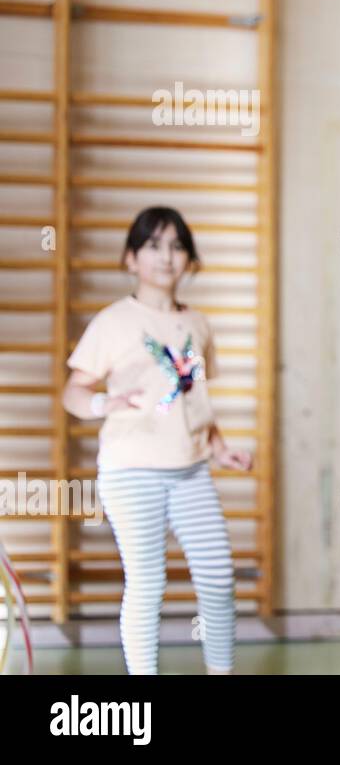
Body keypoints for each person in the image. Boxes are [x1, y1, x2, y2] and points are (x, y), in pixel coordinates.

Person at [62, 205, 251, 675]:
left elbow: (194, 398)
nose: (166, 256)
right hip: (130, 471)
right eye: (153, 244)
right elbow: (74, 391)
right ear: (131, 259)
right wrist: (105, 404)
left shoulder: (199, 325)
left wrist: (220, 447)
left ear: (189, 259)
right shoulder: (113, 322)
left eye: (177, 245)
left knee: (218, 577)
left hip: (190, 471)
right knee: (147, 583)